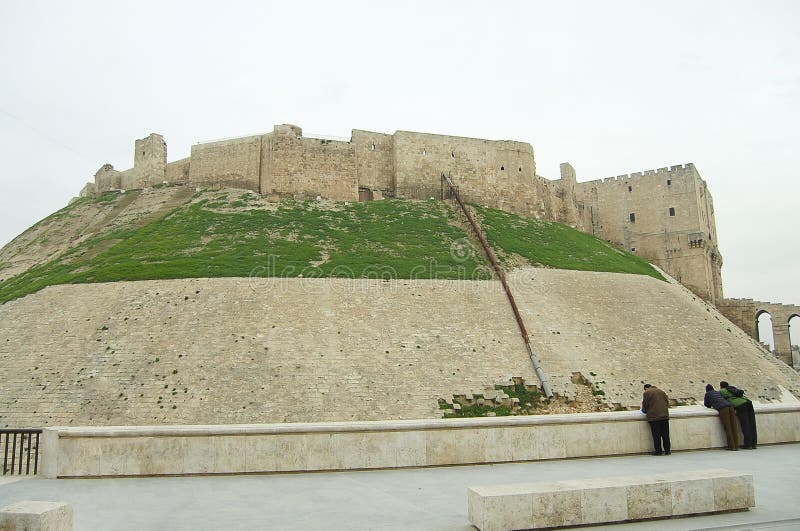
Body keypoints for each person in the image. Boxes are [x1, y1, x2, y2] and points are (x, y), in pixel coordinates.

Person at [720, 381, 758, 449]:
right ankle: (754, 444)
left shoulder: (722, 391)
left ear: (721, 386)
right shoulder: (732, 388)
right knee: (752, 424)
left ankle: (748, 444)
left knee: (745, 425)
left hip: (741, 405)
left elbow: (721, 400)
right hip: (748, 402)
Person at [704, 384, 739, 450]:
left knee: (728, 427)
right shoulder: (717, 392)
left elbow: (707, 404)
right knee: (734, 426)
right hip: (730, 407)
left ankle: (731, 446)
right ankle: (736, 446)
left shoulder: (708, 394)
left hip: (723, 409)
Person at [641, 384, 671, 455]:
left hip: (654, 417)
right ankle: (667, 451)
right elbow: (667, 402)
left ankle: (658, 451)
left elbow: (645, 405)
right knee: (665, 434)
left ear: (646, 388)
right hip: (664, 416)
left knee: (656, 435)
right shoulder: (662, 391)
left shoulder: (647, 393)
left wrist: (644, 411)